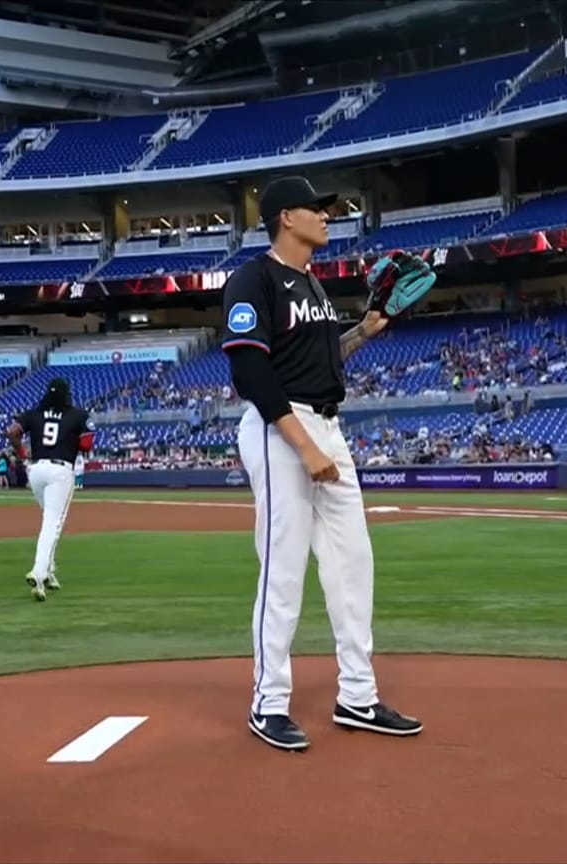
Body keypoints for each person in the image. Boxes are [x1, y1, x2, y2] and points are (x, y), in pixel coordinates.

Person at [220, 175, 437, 752]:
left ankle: (358, 697)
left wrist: (360, 332)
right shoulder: (254, 279)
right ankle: (269, 703)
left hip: (327, 423)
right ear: (285, 217)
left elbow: (319, 357)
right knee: (283, 567)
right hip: (279, 427)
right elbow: (251, 371)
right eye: (317, 209)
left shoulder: (313, 286)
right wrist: (304, 445)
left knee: (352, 563)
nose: (326, 216)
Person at [6, 378, 95, 602]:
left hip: (36, 470)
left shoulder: (34, 414)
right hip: (60, 471)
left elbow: (13, 432)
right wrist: (73, 437)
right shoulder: (78, 414)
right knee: (52, 523)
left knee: (52, 520)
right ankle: (39, 572)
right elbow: (86, 445)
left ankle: (50, 569)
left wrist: (22, 454)